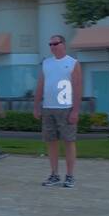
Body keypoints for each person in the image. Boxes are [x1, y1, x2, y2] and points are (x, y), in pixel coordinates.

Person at [34, 34, 81, 188]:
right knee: (51, 142)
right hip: (48, 108)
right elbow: (40, 85)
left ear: (63, 44)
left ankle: (70, 176)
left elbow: (77, 88)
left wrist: (75, 111)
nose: (52, 47)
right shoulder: (46, 63)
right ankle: (54, 174)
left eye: (55, 43)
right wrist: (36, 105)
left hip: (66, 108)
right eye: (50, 44)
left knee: (68, 141)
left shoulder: (73, 63)